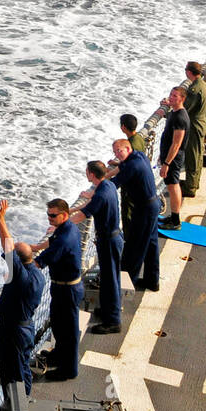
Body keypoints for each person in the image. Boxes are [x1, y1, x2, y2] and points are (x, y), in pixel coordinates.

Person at [0, 200, 45, 399]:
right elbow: (18, 298)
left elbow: (7, 246)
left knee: (13, 375)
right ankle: (21, 404)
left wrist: (0, 219)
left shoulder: (21, 277)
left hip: (14, 333)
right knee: (21, 369)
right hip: (24, 329)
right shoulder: (36, 275)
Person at [32, 198, 83, 381]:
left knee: (69, 331)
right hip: (62, 287)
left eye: (53, 215)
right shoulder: (66, 228)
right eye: (48, 215)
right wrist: (36, 247)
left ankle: (69, 370)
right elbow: (50, 242)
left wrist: (16, 258)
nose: (49, 218)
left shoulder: (64, 238)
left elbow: (39, 262)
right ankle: (59, 355)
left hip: (67, 290)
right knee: (60, 326)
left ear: (64, 215)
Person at [72, 162, 123, 333]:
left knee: (110, 281)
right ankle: (108, 311)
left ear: (91, 174)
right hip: (113, 238)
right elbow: (89, 204)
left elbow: (82, 216)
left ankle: (113, 322)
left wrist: (61, 223)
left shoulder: (101, 194)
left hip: (108, 241)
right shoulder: (107, 186)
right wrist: (71, 210)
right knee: (110, 277)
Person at [109, 139, 161, 291]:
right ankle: (152, 281)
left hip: (144, 209)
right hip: (152, 205)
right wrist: (116, 163)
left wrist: (95, 189)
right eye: (115, 152)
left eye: (119, 151)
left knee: (134, 246)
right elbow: (124, 167)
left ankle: (126, 284)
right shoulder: (139, 156)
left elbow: (114, 184)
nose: (117, 154)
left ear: (128, 148)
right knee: (151, 245)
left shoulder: (132, 165)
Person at [158, 87, 190, 230]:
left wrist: (166, 163)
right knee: (171, 185)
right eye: (171, 94)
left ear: (182, 99)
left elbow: (176, 144)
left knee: (173, 185)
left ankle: (176, 220)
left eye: (175, 96)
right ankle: (173, 215)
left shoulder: (180, 118)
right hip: (169, 156)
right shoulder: (174, 112)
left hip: (174, 159)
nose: (171, 97)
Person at [181, 62, 206, 197]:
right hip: (201, 123)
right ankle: (194, 183)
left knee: (193, 157)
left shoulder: (194, 90)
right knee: (198, 156)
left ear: (189, 72)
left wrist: (169, 113)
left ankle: (190, 187)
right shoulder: (203, 85)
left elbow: (185, 110)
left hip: (194, 126)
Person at [116, 113, 147, 231]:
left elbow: (128, 165)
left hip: (131, 185)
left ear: (123, 127)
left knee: (128, 213)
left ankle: (129, 238)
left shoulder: (130, 144)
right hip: (140, 181)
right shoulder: (139, 138)